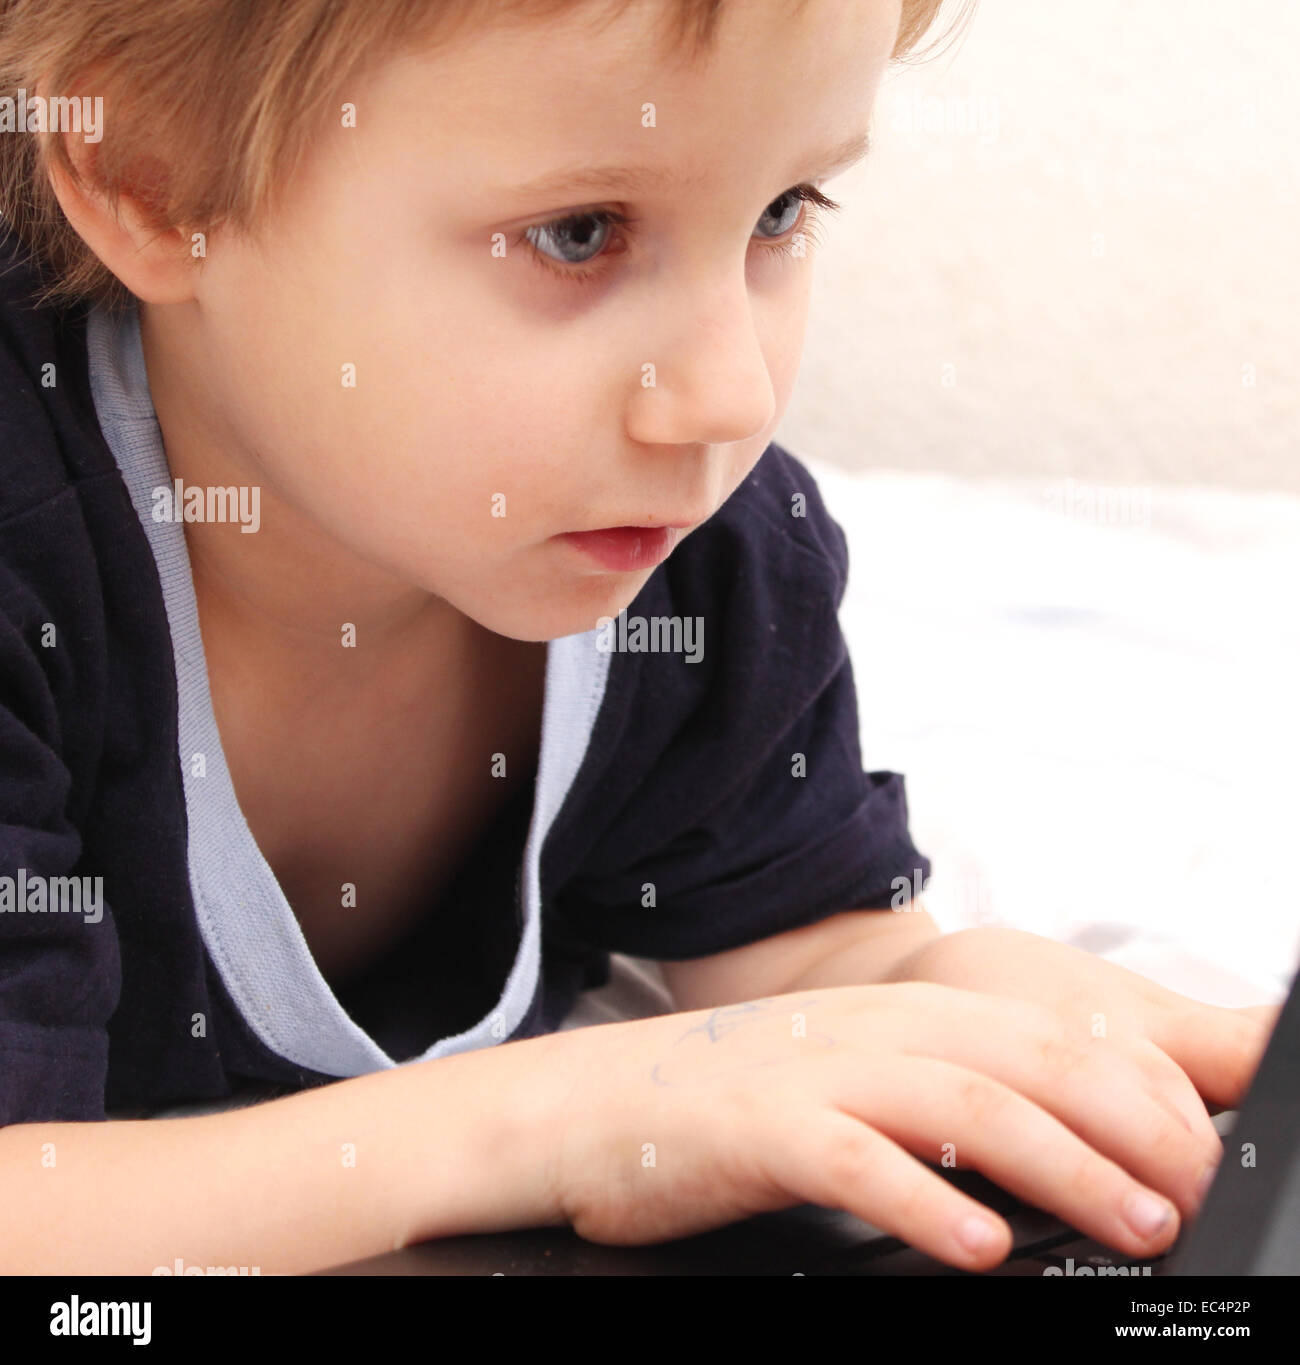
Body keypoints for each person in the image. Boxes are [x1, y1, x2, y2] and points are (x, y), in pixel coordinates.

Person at [0, 0, 1274, 1274]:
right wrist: (563, 1116)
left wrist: (942, 1002)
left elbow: (786, 951)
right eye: (577, 234)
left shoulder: (703, 568)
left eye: (782, 212)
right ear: (150, 179)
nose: (732, 397)